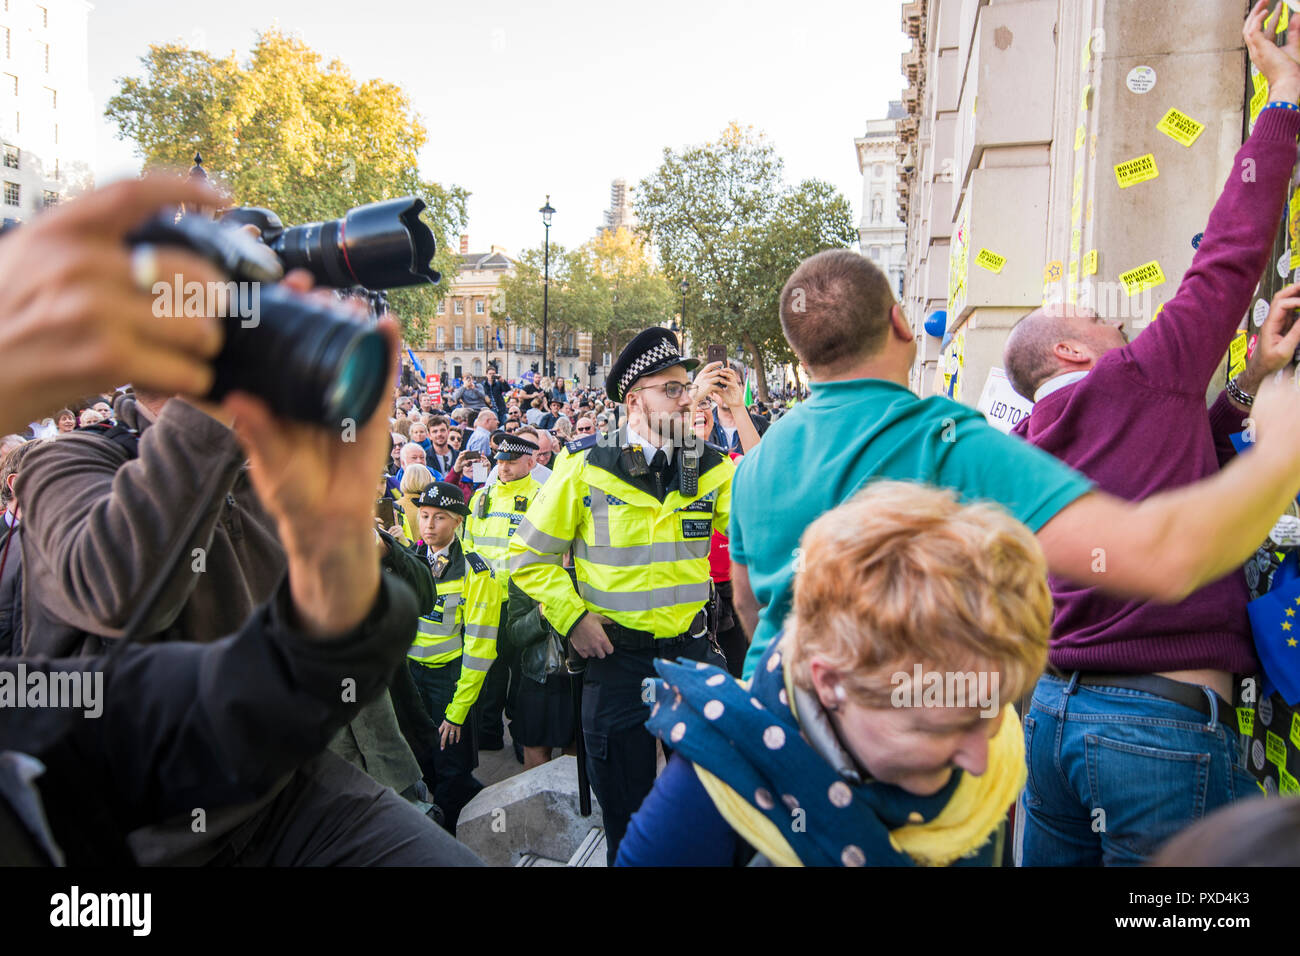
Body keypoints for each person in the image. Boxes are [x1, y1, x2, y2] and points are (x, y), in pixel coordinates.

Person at [0, 175, 480, 865]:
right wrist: (226, 384)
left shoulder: (267, 456)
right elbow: (120, 590)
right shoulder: (69, 462)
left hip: (283, 788)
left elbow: (335, 639)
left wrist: (343, 535)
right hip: (144, 829)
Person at [999, 3, 1300, 865]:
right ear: (1068, 349)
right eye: (1098, 318)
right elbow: (1231, 256)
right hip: (1154, 733)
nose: (1120, 326)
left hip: (1055, 721)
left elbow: (1164, 478)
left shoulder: (1032, 441)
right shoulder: (1132, 379)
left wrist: (1241, 384)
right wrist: (1281, 96)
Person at [729, 247, 1300, 682]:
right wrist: (1281, 447)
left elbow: (748, 606)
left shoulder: (756, 465)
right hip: (907, 771)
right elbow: (1153, 556)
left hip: (772, 735)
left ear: (803, 355)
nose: (1121, 330)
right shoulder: (945, 439)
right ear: (902, 325)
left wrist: (1245, 386)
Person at [617, 482, 1049, 866]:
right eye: (936, 730)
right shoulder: (700, 808)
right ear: (829, 682)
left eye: (993, 713)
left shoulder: (973, 710)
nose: (981, 761)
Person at [509, 327, 736, 864]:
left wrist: (737, 419)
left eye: (688, 387)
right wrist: (573, 618)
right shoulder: (585, 467)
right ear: (634, 401)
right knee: (627, 817)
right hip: (616, 663)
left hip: (690, 654)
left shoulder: (709, 467)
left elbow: (768, 525)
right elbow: (526, 558)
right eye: (672, 389)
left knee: (713, 805)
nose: (688, 399)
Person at [406, 482, 503, 832]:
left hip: (449, 680)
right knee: (421, 760)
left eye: (440, 518)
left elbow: (480, 648)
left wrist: (458, 711)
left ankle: (446, 839)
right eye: (424, 515)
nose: (428, 525)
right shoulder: (409, 559)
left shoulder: (476, 572)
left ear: (459, 522)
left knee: (451, 767)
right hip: (409, 678)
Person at [463, 434, 547, 755]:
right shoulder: (482, 497)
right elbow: (468, 542)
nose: (503, 467)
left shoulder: (543, 497)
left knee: (524, 672)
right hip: (486, 601)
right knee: (489, 671)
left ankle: (523, 736)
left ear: (531, 461)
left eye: (510, 462)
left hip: (523, 602)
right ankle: (488, 734)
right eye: (499, 461)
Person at [691, 372, 755, 677]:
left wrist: (738, 407)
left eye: (707, 406)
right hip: (687, 599)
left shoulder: (726, 463)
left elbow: (761, 464)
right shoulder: (657, 468)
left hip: (728, 595)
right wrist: (691, 397)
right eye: (694, 405)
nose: (701, 411)